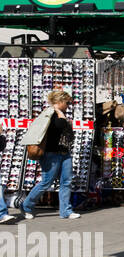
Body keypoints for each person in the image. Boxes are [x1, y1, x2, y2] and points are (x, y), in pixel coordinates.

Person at [13, 90, 78, 220]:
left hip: (64, 152)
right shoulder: (48, 114)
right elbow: (60, 125)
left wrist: (62, 115)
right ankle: (26, 205)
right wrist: (60, 113)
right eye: (66, 103)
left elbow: (68, 133)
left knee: (66, 181)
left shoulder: (61, 114)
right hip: (50, 153)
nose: (68, 105)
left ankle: (65, 211)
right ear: (59, 102)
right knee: (46, 182)